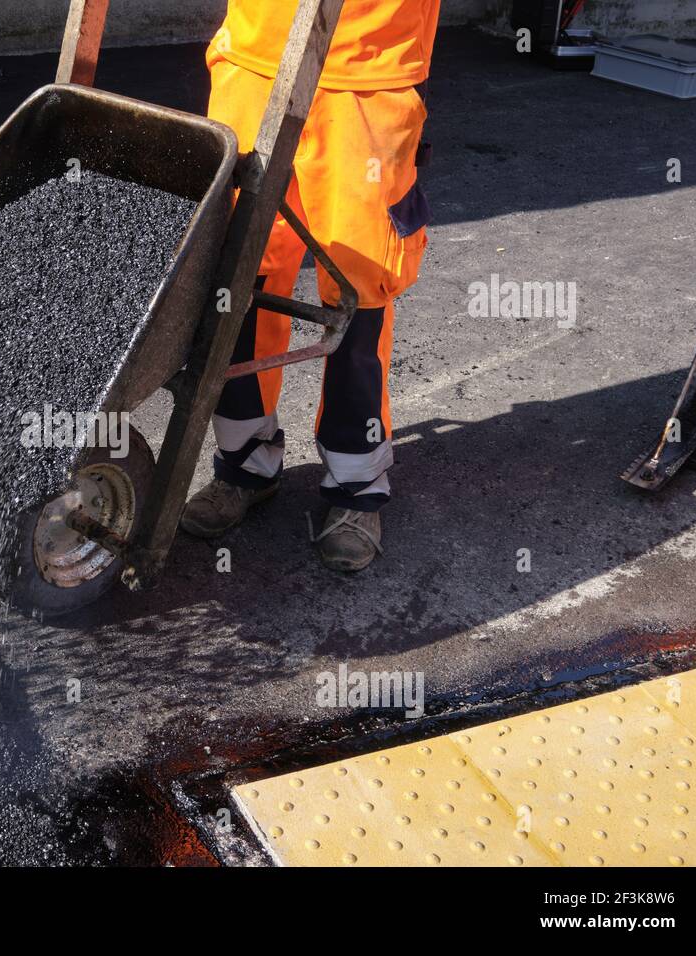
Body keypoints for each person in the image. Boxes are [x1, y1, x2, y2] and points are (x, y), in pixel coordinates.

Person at [179, 0, 440, 572]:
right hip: (256, 58)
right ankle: (245, 463)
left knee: (359, 285)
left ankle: (355, 485)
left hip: (368, 67)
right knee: (239, 272)